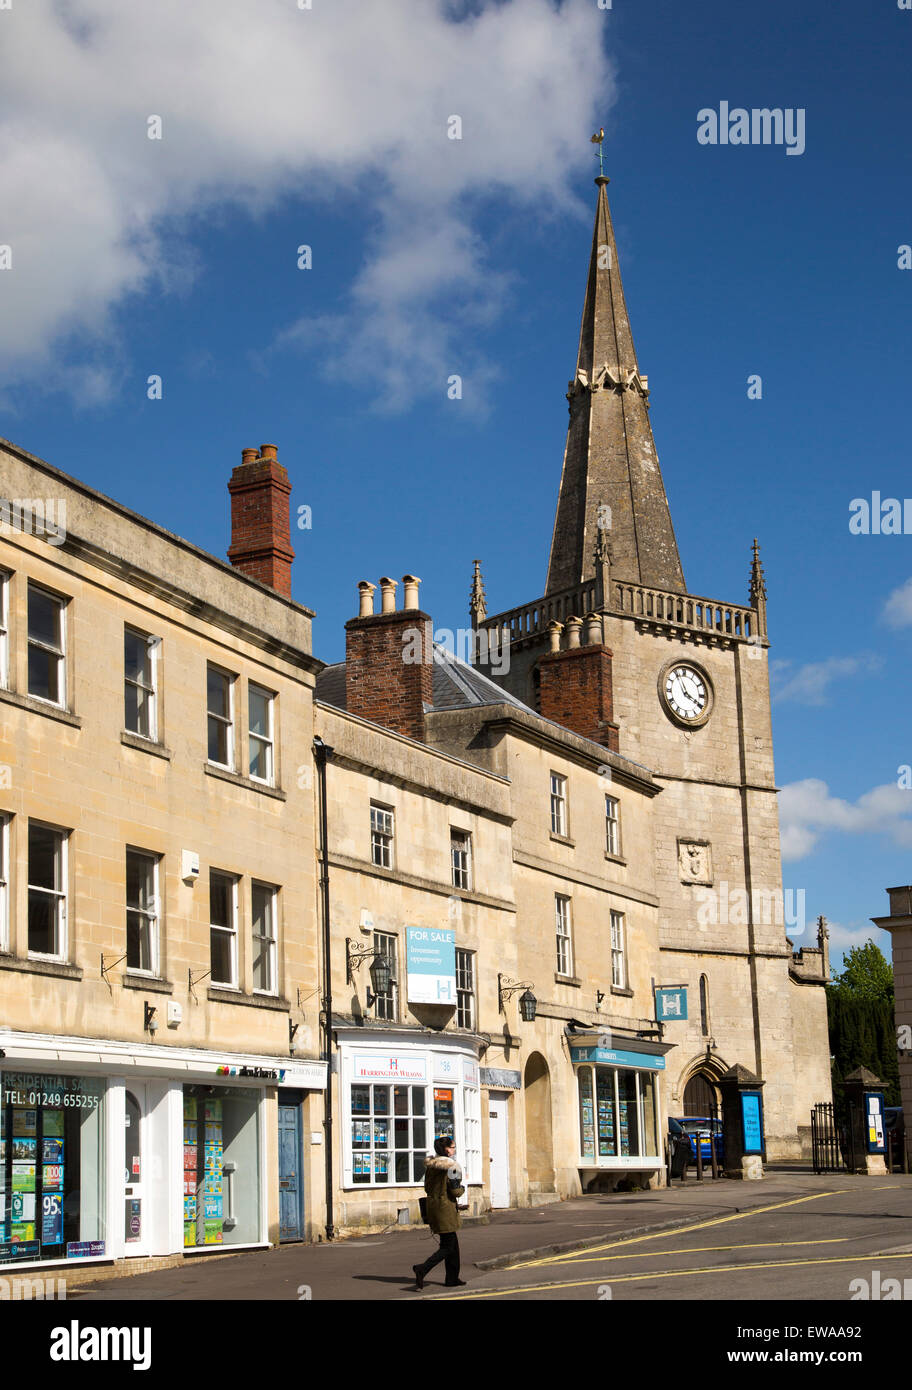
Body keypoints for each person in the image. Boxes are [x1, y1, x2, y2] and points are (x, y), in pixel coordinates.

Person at [412, 1136, 467, 1289]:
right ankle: (422, 1269)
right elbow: (456, 1191)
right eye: (453, 1147)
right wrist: (463, 1189)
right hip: (446, 1210)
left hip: (433, 1207)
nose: (454, 1150)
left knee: (453, 1246)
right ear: (446, 1149)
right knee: (448, 1247)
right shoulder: (452, 1167)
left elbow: (427, 1188)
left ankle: (452, 1278)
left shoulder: (431, 1166)